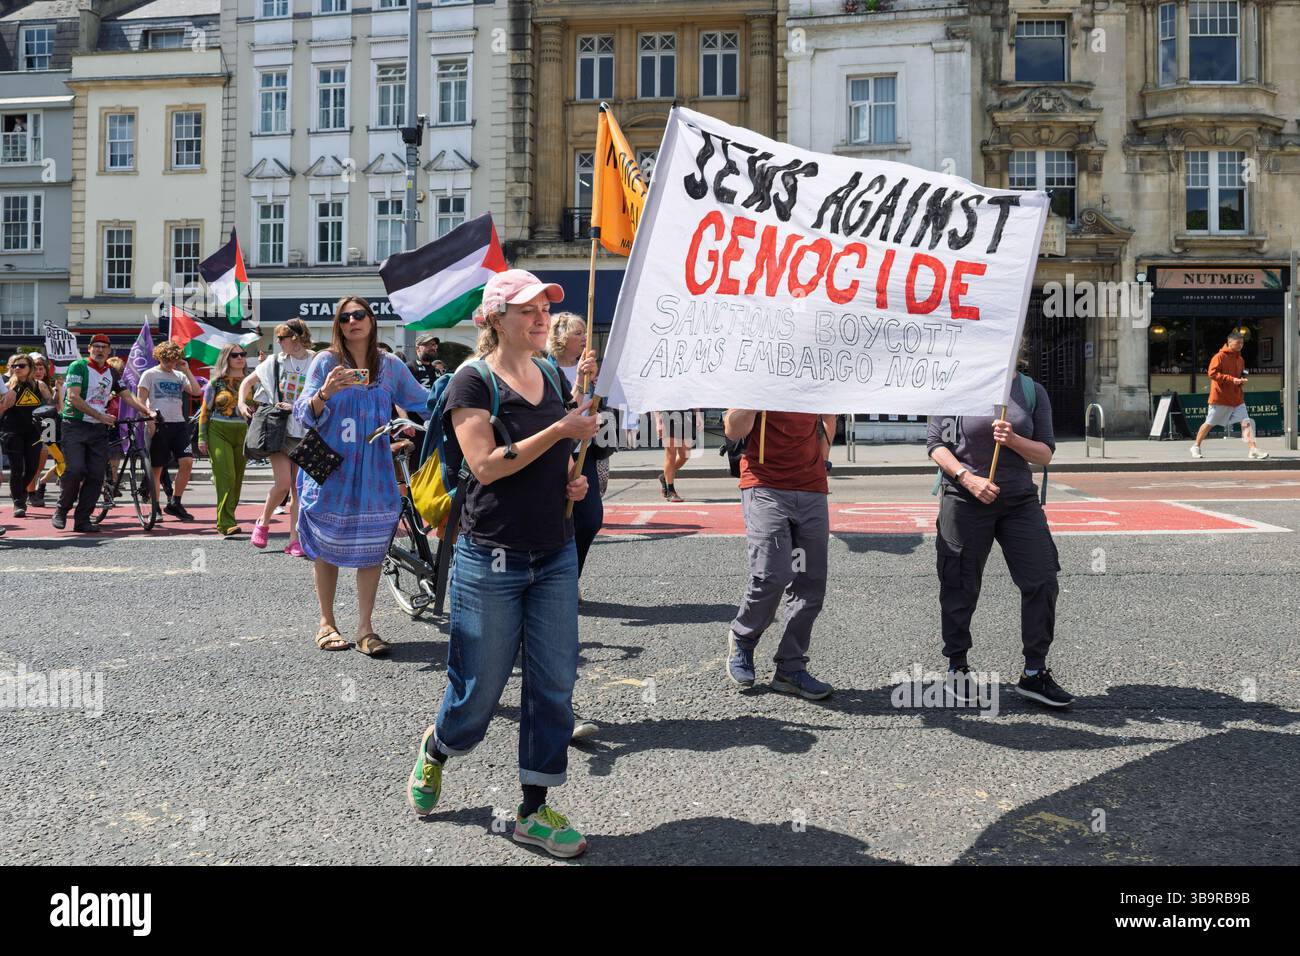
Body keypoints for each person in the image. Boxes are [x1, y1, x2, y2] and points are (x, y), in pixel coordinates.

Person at [406, 269, 598, 859]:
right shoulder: (472, 381)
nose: (541, 318)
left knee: (553, 683)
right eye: (527, 310)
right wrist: (561, 430)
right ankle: (439, 746)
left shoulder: (546, 372)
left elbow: (558, 458)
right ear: (494, 319)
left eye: (544, 308)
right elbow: (486, 465)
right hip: (491, 557)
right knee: (479, 690)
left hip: (554, 550)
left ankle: (533, 810)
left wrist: (575, 481)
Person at [926, 365, 1073, 708]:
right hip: (964, 497)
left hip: (1019, 501)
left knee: (1042, 579)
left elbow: (1045, 453)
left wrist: (1015, 440)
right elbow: (935, 445)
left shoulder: (1031, 390)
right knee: (960, 583)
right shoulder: (956, 383)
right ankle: (957, 666)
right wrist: (968, 478)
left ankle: (1034, 673)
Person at [295, 297, 433, 654]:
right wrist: (325, 393)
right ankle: (327, 623)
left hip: (374, 466)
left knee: (373, 547)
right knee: (327, 543)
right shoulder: (325, 361)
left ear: (372, 321)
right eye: (344, 317)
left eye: (359, 315)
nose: (352, 321)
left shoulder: (390, 365)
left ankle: (365, 629)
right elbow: (302, 414)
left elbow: (423, 400)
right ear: (338, 325)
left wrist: (465, 385)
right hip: (332, 467)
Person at [722, 409, 836, 700]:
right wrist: (754, 395)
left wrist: (821, 460)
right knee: (772, 574)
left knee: (810, 583)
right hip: (765, 484)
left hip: (811, 487)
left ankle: (790, 667)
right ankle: (743, 638)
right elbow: (733, 430)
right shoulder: (757, 369)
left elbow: (829, 417)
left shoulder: (817, 372)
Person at [55, 334, 155, 533]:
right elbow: (73, 397)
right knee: (75, 470)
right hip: (75, 425)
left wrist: (147, 411)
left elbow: (127, 396)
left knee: (96, 475)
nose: (100, 350)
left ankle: (82, 520)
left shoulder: (111, 372)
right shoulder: (78, 366)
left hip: (98, 430)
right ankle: (62, 508)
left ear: (109, 351)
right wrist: (100, 416)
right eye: (96, 346)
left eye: (104, 347)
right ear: (90, 349)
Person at [239, 319, 314, 555]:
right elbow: (248, 382)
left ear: (295, 338)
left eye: (281, 338)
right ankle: (263, 522)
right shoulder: (274, 361)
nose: (278, 342)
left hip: (306, 430)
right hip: (279, 428)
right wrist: (242, 401)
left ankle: (294, 540)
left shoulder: (317, 360)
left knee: (298, 489)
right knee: (283, 484)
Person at [137, 342, 203, 521]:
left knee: (187, 462)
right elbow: (140, 400)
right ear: (159, 357)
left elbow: (196, 391)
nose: (170, 364)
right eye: (166, 360)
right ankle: (155, 506)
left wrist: (187, 370)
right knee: (157, 468)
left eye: (173, 360)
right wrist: (148, 419)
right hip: (158, 424)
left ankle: (175, 502)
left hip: (179, 424)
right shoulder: (149, 374)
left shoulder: (179, 375)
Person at [198, 344, 250, 537]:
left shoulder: (251, 381)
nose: (240, 358)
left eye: (242, 354)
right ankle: (225, 522)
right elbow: (205, 412)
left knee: (237, 480)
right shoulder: (216, 383)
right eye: (234, 355)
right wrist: (202, 438)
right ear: (226, 358)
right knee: (226, 476)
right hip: (218, 431)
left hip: (244, 433)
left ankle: (229, 517)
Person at [1191, 331, 1269, 460]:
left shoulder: (1240, 359)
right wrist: (1232, 379)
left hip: (1237, 398)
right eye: (1238, 343)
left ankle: (1253, 449)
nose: (1240, 346)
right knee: (1209, 423)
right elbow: (1212, 374)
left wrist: (1242, 379)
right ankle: (1196, 446)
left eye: (1242, 343)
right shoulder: (1219, 356)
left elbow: (1242, 373)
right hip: (1220, 398)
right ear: (1229, 342)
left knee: (1246, 422)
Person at [1, 354, 53, 518]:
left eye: (21, 366)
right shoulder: (7, 386)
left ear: (29, 368)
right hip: (11, 432)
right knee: (17, 469)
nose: (17, 368)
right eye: (15, 366)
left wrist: (58, 393)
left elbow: (51, 408)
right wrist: (5, 401)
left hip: (34, 433)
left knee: (32, 468)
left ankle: (19, 493)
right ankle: (18, 502)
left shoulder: (40, 385)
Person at [655, 408, 695, 502]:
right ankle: (670, 491)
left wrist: (698, 415)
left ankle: (665, 477)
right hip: (667, 417)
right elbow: (656, 402)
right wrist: (658, 422)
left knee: (685, 454)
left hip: (686, 416)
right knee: (671, 454)